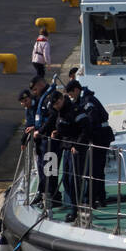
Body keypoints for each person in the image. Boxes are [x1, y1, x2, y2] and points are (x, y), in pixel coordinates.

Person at [64, 79, 113, 219]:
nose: (71, 97)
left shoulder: (87, 101)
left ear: (76, 90)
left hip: (100, 136)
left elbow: (91, 120)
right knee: (96, 169)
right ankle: (99, 197)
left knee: (94, 169)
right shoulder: (85, 99)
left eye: (71, 94)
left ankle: (92, 199)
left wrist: (84, 135)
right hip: (98, 136)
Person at [30, 74, 53, 205]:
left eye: (35, 89)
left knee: (50, 170)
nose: (34, 92)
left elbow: (51, 118)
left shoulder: (50, 97)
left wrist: (41, 131)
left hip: (49, 140)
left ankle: (51, 195)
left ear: (40, 85)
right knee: (41, 169)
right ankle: (43, 193)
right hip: (42, 139)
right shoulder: (42, 97)